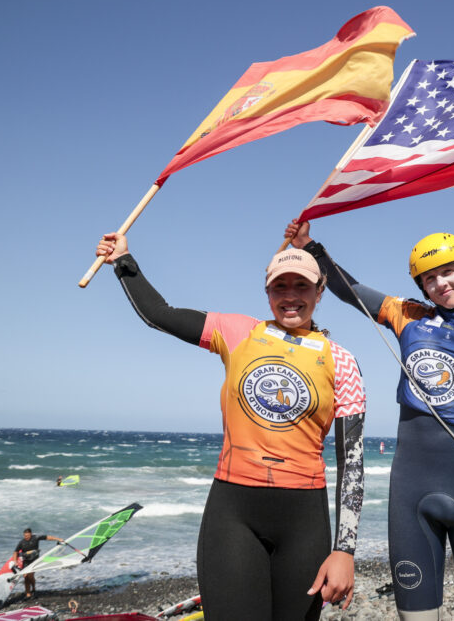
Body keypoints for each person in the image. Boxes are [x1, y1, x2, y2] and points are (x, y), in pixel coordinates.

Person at [95, 232, 366, 620]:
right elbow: (161, 314)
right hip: (233, 514)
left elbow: (352, 462)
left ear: (319, 292)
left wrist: (344, 551)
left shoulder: (342, 361)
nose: (291, 295)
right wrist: (124, 261)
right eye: (280, 286)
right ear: (268, 293)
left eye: (302, 285)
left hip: (303, 520)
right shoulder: (240, 331)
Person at [285, 222, 454, 621]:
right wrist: (310, 247)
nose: (441, 284)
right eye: (429, 278)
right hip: (411, 494)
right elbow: (351, 290)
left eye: (449, 272)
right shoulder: (408, 316)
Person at [14, 529, 62, 598]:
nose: (26, 537)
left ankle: (33, 587)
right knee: (25, 577)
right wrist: (15, 561)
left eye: (27, 535)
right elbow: (15, 552)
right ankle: (28, 593)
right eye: (25, 536)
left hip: (34, 561)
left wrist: (58, 539)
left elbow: (47, 537)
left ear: (31, 534)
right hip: (26, 561)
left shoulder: (35, 538)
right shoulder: (21, 542)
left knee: (30, 576)